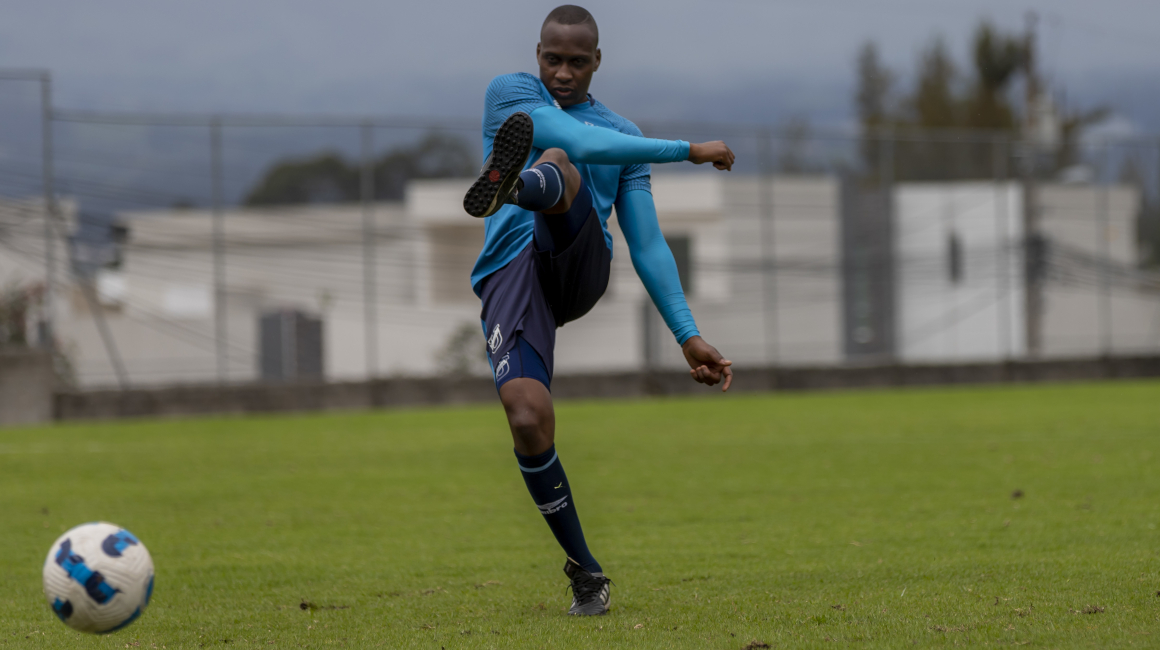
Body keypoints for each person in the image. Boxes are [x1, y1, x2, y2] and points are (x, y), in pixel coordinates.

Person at [463, 4, 735, 616]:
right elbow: (580, 137)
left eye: (576, 62)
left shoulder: (624, 135)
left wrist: (687, 334)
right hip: (512, 277)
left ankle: (524, 185)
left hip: (580, 265)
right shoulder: (509, 94)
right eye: (552, 59)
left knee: (557, 161)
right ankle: (587, 574)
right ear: (537, 55)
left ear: (597, 62)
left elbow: (646, 242)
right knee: (528, 418)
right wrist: (689, 149)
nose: (562, 72)